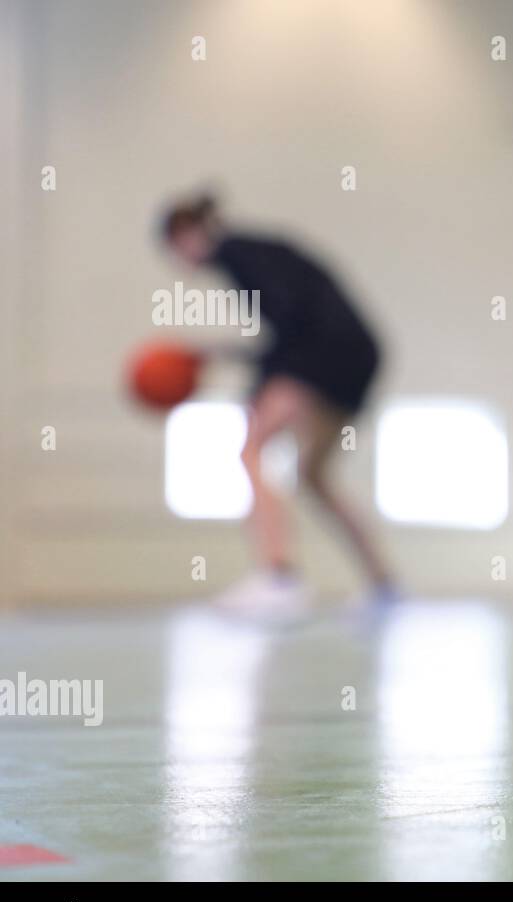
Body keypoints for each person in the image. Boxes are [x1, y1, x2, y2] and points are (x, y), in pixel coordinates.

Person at [161, 194, 394, 619]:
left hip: (327, 355)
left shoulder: (236, 252)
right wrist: (232, 360)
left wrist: (255, 378)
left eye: (176, 248)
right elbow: (287, 328)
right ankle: (384, 585)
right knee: (312, 475)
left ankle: (278, 579)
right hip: (356, 357)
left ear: (187, 234)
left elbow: (291, 325)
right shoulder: (256, 252)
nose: (180, 260)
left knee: (250, 447)